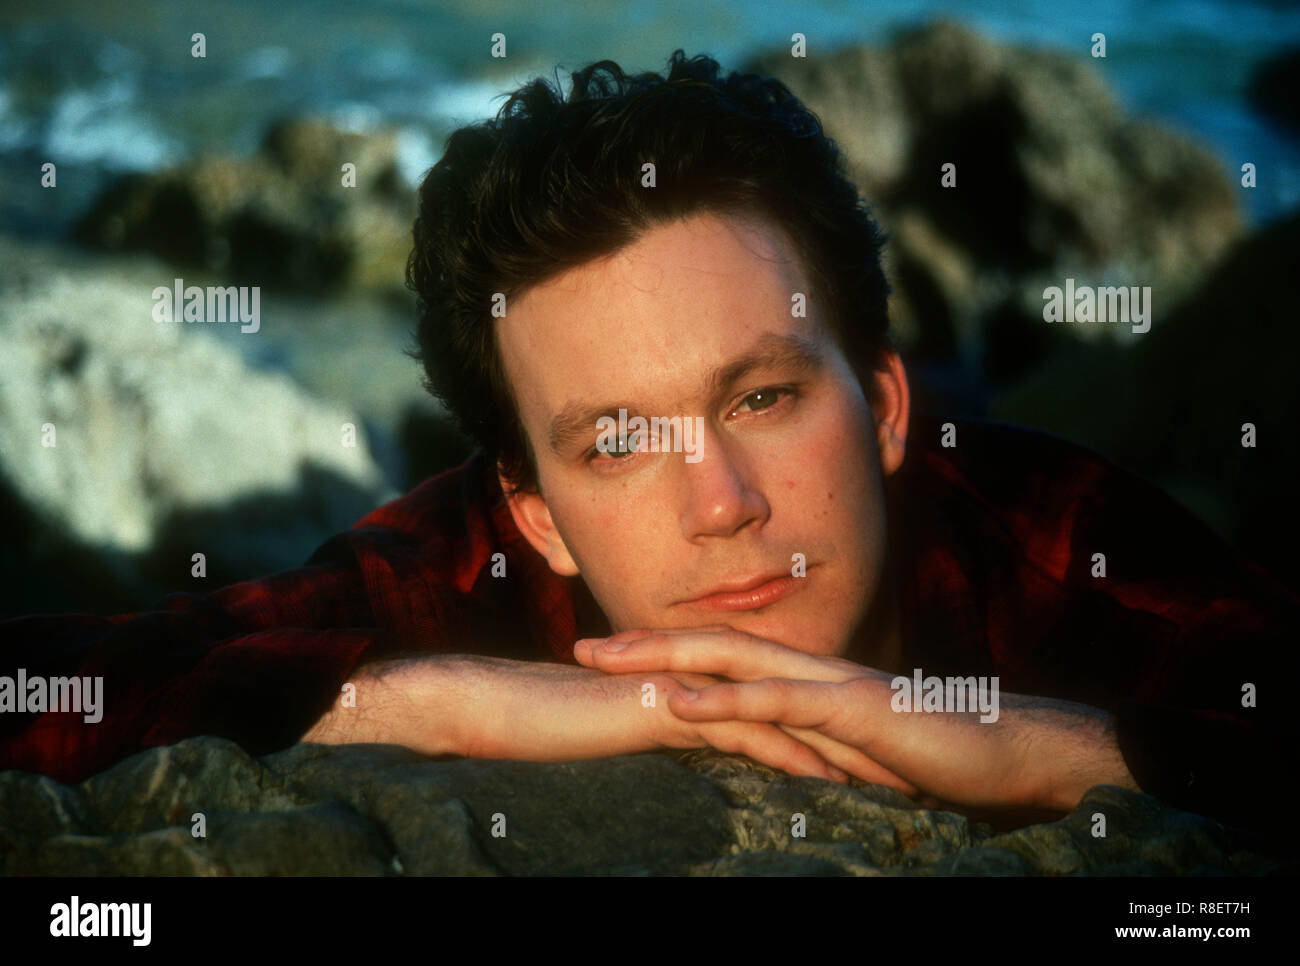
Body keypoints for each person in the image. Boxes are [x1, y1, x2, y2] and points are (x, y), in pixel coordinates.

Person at [2, 51, 1294, 837]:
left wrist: (1049, 747)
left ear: (887, 405)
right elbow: (43, 689)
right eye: (618, 439)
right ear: (537, 513)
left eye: (762, 398)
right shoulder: (455, 573)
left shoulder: (1049, 531)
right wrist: (408, 700)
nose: (720, 504)